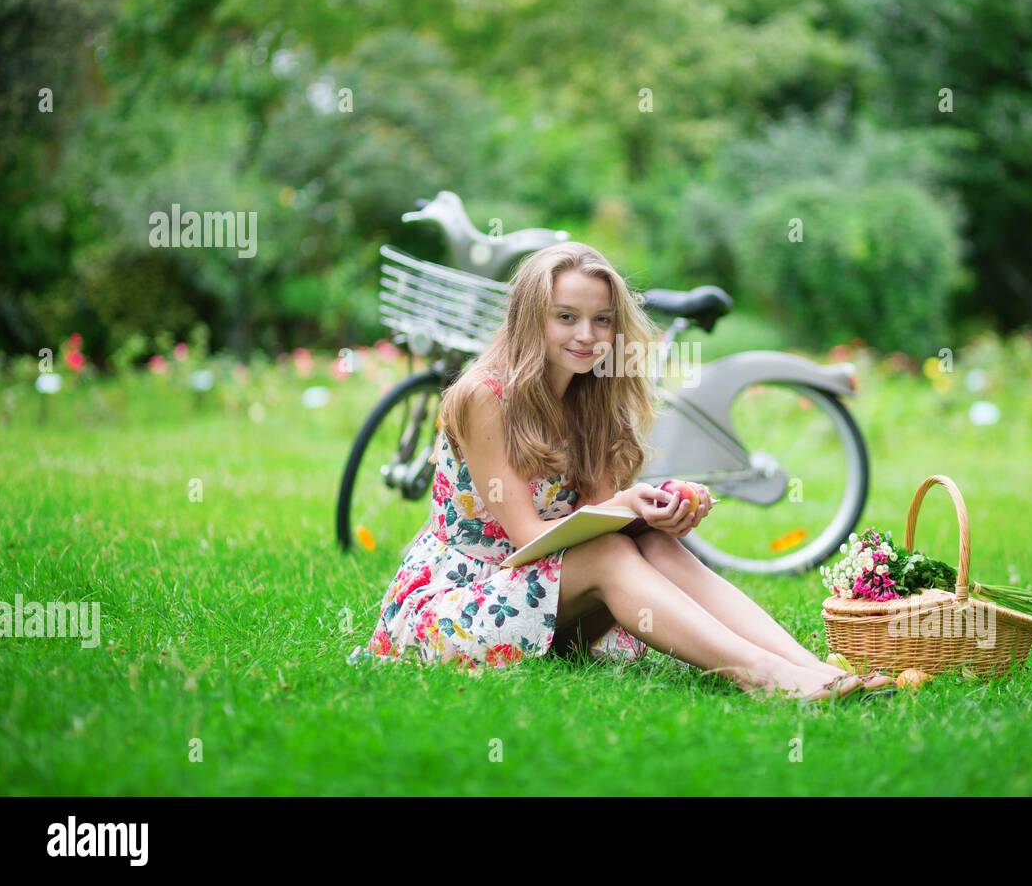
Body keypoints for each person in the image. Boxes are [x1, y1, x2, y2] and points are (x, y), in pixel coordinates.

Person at [349, 241, 894, 701]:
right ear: (529, 318)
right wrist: (622, 509)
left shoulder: (592, 395)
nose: (587, 335)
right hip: (460, 604)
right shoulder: (484, 397)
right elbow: (527, 540)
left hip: (545, 599)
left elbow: (597, 514)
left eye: (602, 320)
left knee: (651, 545)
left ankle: (817, 669)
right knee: (611, 551)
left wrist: (660, 507)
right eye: (566, 317)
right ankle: (766, 678)